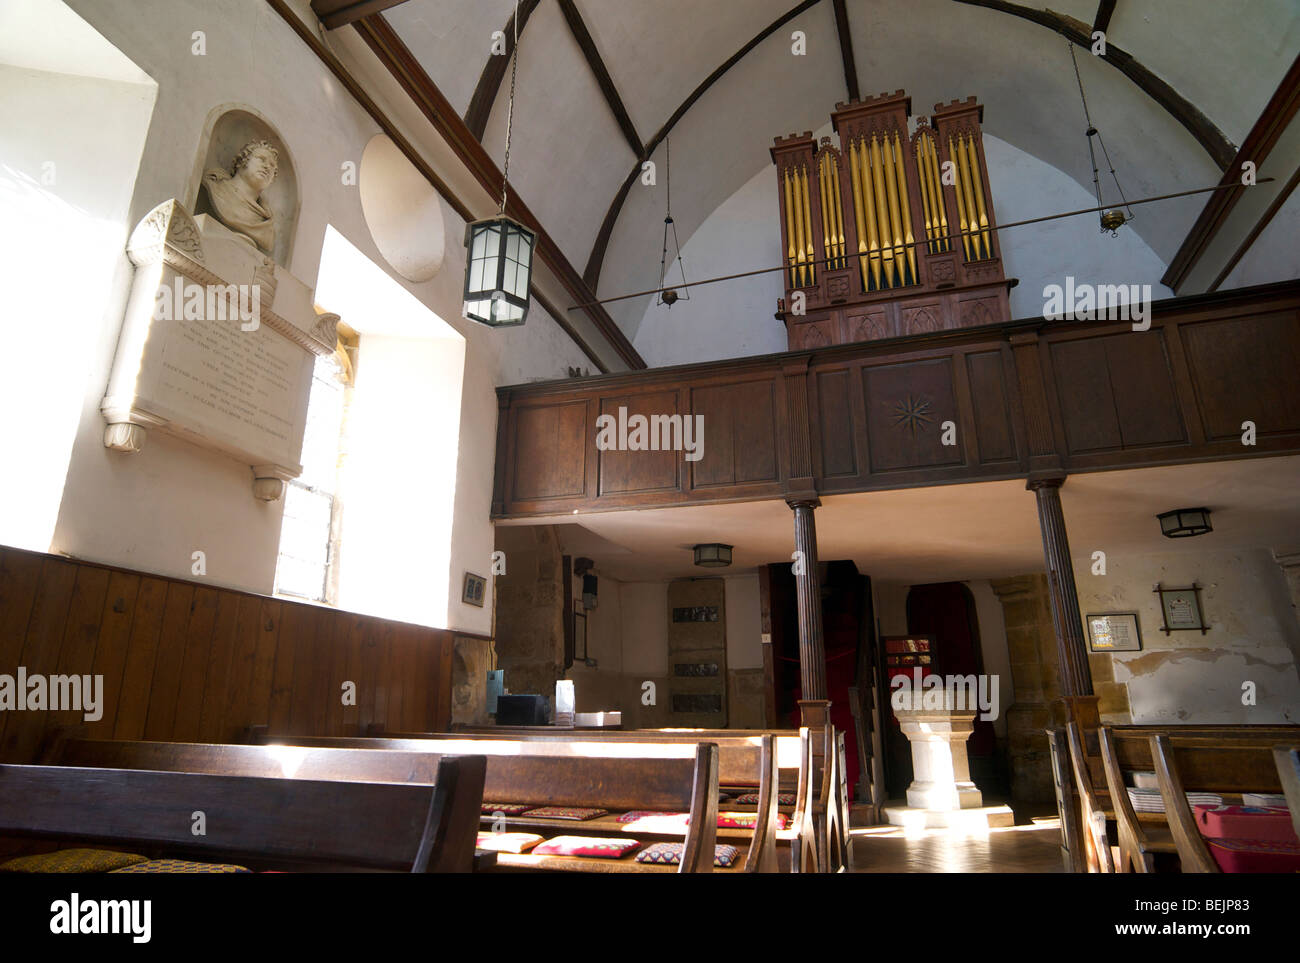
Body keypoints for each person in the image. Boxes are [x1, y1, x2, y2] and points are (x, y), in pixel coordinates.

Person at [201, 140, 279, 254]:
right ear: (243, 161)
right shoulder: (216, 188)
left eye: (272, 165)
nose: (267, 166)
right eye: (261, 159)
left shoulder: (266, 225)